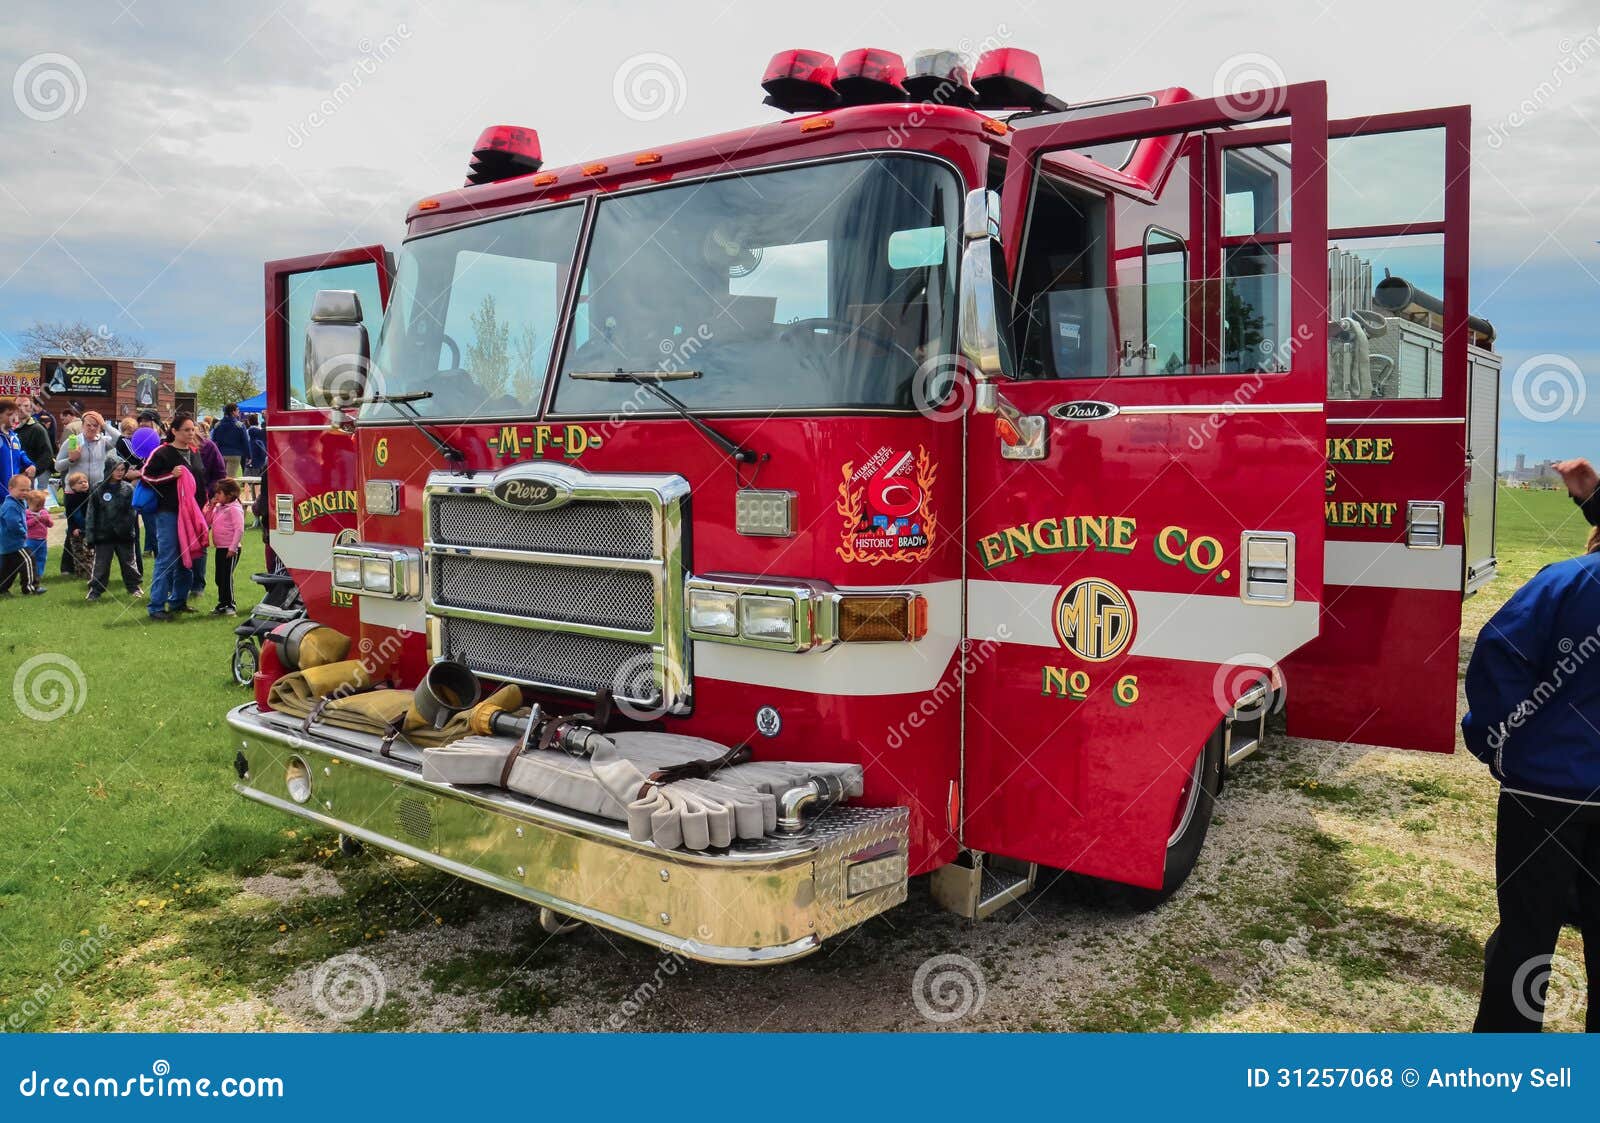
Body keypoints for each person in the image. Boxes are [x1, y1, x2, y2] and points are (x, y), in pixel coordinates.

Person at [1463, 548, 1600, 1032]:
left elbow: (1499, 651)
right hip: (1548, 788)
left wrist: (1499, 743)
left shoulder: (1563, 581)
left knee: (1525, 939)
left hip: (1545, 791)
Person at [141, 413, 208, 621]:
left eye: (192, 429)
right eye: (186, 430)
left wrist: (205, 505)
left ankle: (179, 601)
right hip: (169, 513)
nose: (191, 433)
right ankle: (156, 606)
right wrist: (172, 475)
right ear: (174, 431)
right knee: (167, 558)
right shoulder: (162, 452)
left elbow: (200, 482)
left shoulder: (195, 452)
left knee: (187, 558)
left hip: (191, 513)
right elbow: (145, 476)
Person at [86, 459, 142, 600]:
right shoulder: (97, 488)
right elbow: (91, 513)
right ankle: (95, 591)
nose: (119, 473)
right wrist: (90, 536)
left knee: (129, 563)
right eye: (116, 469)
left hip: (124, 534)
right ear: (109, 469)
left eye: (122, 470)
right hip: (104, 534)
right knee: (101, 564)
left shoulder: (128, 489)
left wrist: (127, 529)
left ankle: (134, 587)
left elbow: (133, 512)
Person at [207, 478, 245, 616]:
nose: (216, 496)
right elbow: (208, 521)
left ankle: (230, 604)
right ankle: (222, 603)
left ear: (229, 495)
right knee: (219, 577)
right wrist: (211, 507)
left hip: (230, 549)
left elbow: (239, 529)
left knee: (226, 577)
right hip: (220, 548)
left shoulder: (234, 509)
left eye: (219, 493)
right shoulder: (219, 507)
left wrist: (232, 548)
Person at [0, 473, 40, 595]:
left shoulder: (17, 502)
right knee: (28, 559)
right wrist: (23, 532)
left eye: (28, 490)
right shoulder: (11, 505)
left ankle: (2, 589)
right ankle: (30, 588)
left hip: (7, 544)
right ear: (11, 489)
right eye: (22, 490)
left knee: (9, 568)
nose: (25, 492)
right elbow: (13, 523)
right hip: (15, 542)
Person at [13, 394, 54, 482]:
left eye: (26, 405)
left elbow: (47, 454)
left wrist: (35, 469)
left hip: (25, 479)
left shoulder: (37, 429)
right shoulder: (7, 427)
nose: (21, 408)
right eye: (18, 405)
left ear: (31, 408)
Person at [61, 471, 93, 578]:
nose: (84, 484)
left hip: (89, 529)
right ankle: (80, 572)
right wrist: (73, 528)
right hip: (76, 530)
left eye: (85, 482)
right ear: (72, 487)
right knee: (78, 552)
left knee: (89, 552)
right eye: (80, 483)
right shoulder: (71, 500)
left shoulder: (92, 497)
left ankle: (91, 573)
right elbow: (70, 517)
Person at [1, 399, 37, 484]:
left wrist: (30, 465)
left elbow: (20, 453)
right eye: (9, 415)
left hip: (13, 492)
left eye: (16, 415)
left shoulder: (14, 437)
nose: (14, 418)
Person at [23, 488, 52, 590]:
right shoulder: (26, 513)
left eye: (42, 505)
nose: (40, 508)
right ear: (29, 503)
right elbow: (25, 525)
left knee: (42, 558)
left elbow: (51, 524)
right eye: (37, 506)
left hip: (42, 540)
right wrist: (35, 520)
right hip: (31, 540)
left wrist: (47, 520)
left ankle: (39, 575)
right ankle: (30, 575)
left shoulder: (44, 512)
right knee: (32, 558)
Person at [212, 403, 249, 480]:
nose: (239, 412)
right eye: (238, 410)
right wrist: (249, 456)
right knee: (230, 479)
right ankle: (228, 492)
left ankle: (220, 491)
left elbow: (213, 441)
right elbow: (245, 442)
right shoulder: (240, 425)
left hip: (220, 453)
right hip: (235, 454)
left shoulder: (217, 425)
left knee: (221, 477)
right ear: (233, 412)